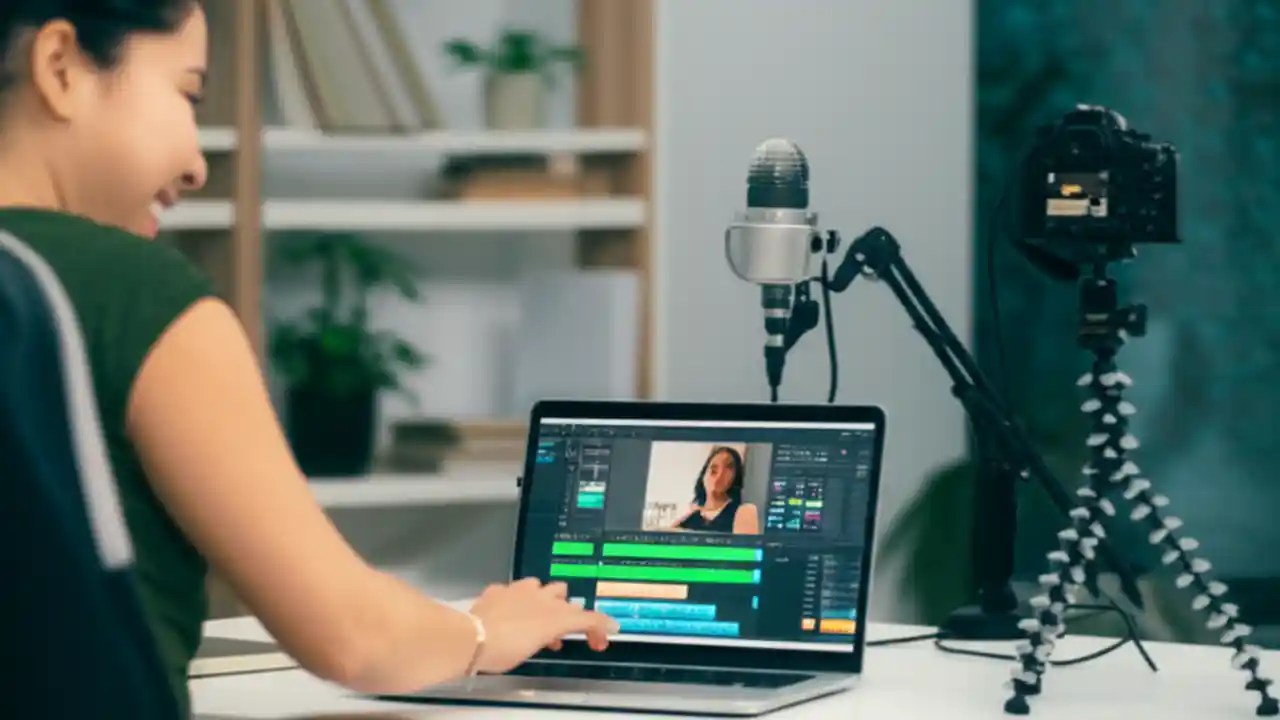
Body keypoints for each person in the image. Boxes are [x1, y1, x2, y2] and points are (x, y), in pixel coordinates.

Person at [0, 2, 616, 716]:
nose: (198, 163)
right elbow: (352, 636)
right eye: (187, 91)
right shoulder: (128, 292)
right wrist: (485, 630)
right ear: (60, 67)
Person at [669, 446, 760, 534]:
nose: (719, 473)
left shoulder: (744, 511)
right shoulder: (688, 519)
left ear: (735, 478)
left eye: (728, 467)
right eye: (713, 468)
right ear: (703, 475)